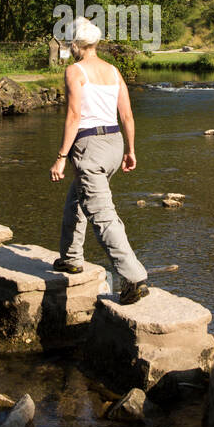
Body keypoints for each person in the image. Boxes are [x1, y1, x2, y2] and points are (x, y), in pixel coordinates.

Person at [49, 17, 150, 304]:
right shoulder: (113, 71)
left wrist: (60, 157)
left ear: (75, 45)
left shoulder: (75, 71)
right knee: (78, 198)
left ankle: (133, 278)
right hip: (114, 144)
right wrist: (130, 150)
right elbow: (128, 116)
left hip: (90, 146)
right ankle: (70, 258)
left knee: (102, 214)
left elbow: (74, 116)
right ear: (95, 43)